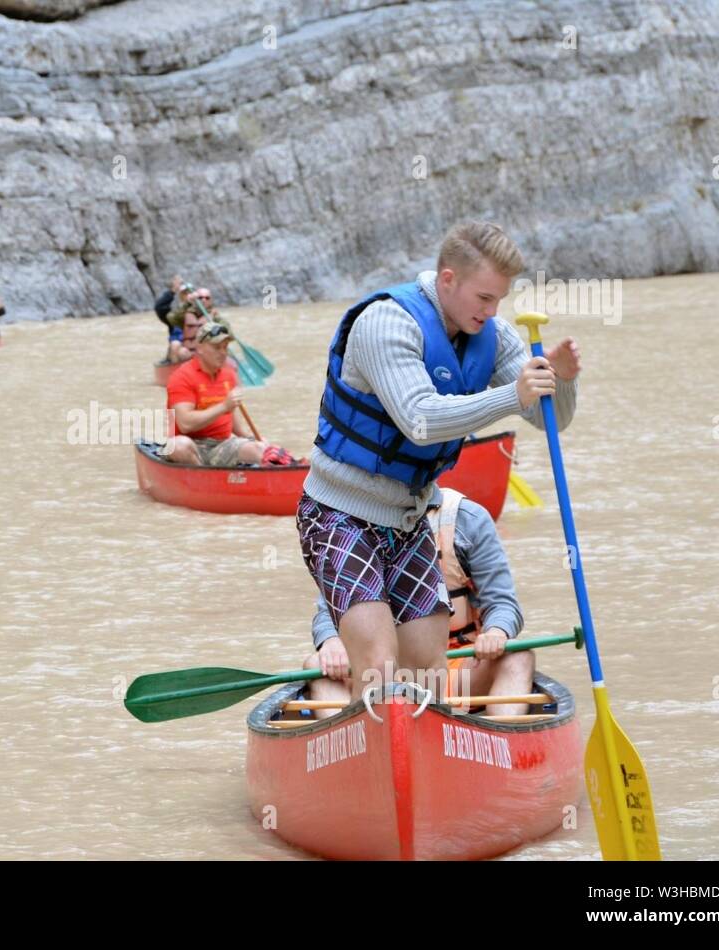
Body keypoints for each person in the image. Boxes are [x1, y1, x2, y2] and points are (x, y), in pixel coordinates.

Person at [297, 221, 581, 697]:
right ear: (448, 279)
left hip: (410, 521)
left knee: (426, 671)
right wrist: (513, 394)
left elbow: (553, 420)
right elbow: (420, 420)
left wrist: (561, 380)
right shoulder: (386, 323)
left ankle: (420, 763)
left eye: (499, 300)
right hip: (339, 514)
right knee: (380, 669)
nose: (492, 312)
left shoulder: (493, 334)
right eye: (484, 298)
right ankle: (375, 760)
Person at [303, 486, 534, 717]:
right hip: (373, 672)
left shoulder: (468, 519)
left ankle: (500, 745)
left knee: (519, 656)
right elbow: (329, 607)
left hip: (453, 670)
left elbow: (503, 603)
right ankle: (349, 742)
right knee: (317, 665)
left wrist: (496, 632)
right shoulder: (350, 519)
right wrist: (330, 642)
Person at [161, 323, 269, 466]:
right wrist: (224, 406)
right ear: (199, 347)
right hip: (190, 445)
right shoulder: (181, 377)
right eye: (216, 347)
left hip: (222, 445)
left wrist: (251, 438)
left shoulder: (229, 375)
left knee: (261, 450)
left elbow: (230, 417)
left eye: (225, 347)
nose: (223, 352)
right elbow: (185, 424)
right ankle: (202, 478)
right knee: (178, 446)